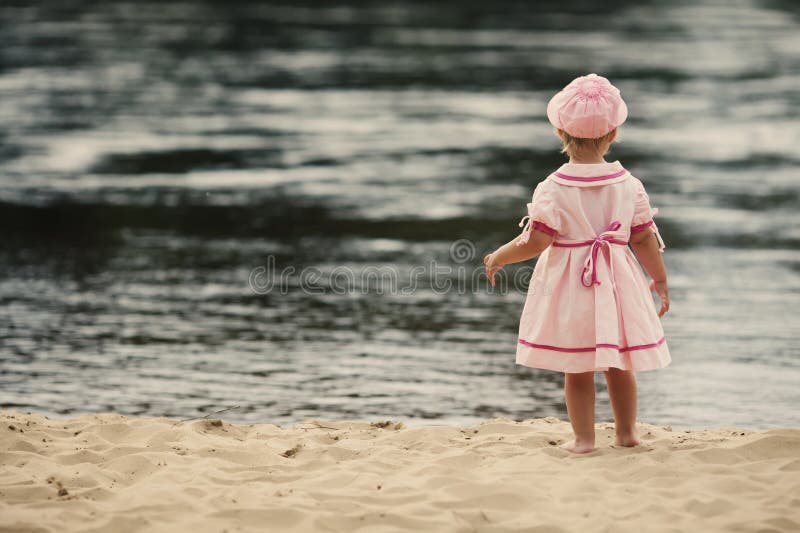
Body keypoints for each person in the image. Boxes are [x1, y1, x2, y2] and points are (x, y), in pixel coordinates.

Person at [483, 73, 671, 454]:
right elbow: (643, 238)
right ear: (613, 134)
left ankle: (584, 440)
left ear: (559, 131)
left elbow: (537, 240)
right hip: (618, 281)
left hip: (573, 285)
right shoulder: (628, 183)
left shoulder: (552, 186)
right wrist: (660, 279)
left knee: (578, 367)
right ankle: (627, 434)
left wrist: (501, 254)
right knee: (620, 364)